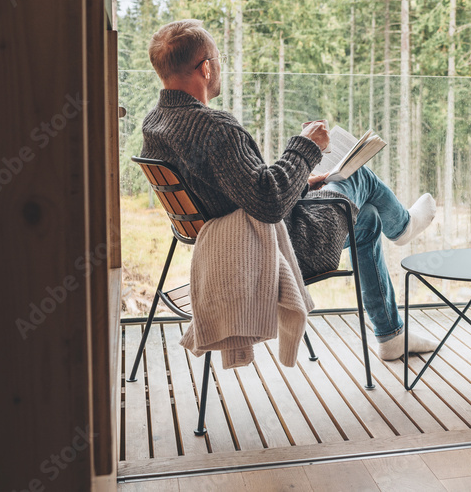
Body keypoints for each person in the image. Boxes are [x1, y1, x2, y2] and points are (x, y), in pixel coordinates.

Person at [140, 19, 439, 360]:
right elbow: (269, 203)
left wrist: (302, 179)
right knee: (360, 178)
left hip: (227, 239)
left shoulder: (155, 123)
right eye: (218, 59)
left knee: (367, 219)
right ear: (206, 68)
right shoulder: (214, 128)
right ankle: (402, 227)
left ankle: (391, 336)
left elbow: (239, 187)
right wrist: (306, 145)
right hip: (276, 248)